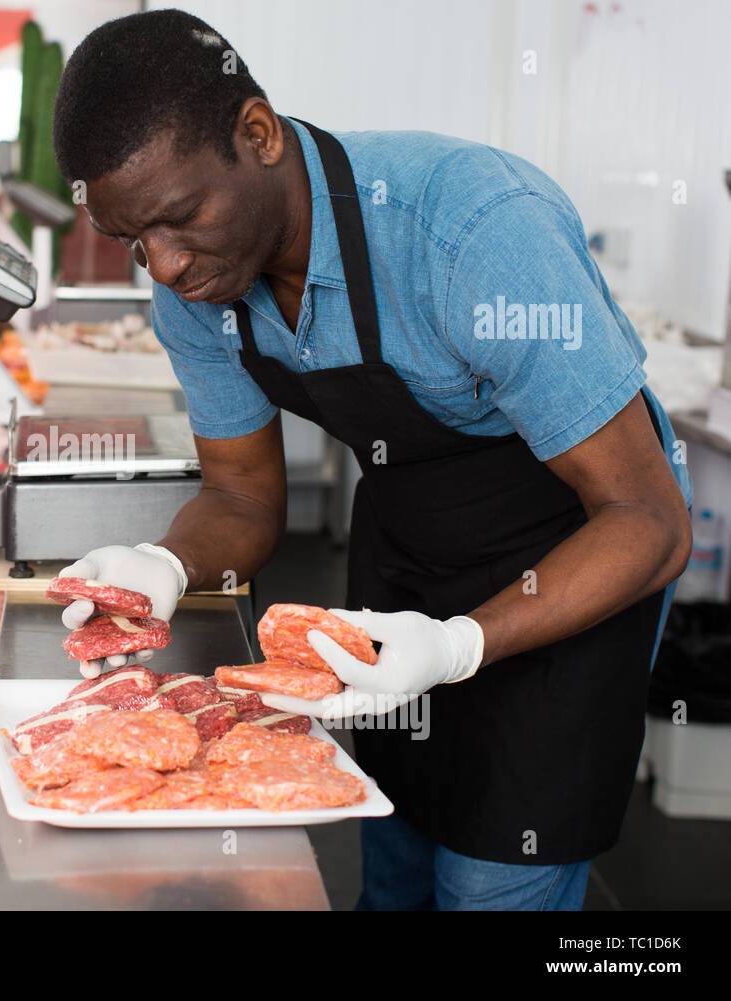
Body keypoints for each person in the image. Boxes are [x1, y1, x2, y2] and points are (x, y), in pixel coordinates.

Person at [49, 9, 693, 911]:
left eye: (178, 219)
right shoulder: (197, 287)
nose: (162, 266)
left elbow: (649, 519)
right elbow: (241, 494)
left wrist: (460, 643)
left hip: (578, 544)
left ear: (258, 134)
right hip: (415, 542)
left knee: (489, 874)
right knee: (392, 858)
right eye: (131, 240)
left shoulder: (471, 230)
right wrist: (166, 564)